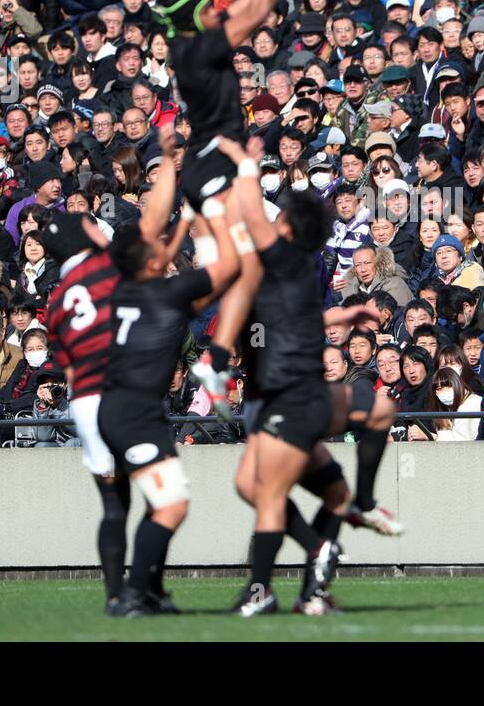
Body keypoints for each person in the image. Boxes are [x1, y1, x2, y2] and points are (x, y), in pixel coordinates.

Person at [218, 136, 401, 616]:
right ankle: (323, 564)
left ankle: (271, 586)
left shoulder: (273, 259)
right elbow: (296, 321)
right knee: (320, 483)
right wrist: (346, 315)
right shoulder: (302, 266)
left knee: (264, 492)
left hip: (283, 395)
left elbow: (248, 216)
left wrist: (244, 165)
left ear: (283, 224)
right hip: (286, 390)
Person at [155, 0, 301, 416]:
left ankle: (213, 357)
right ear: (196, 12)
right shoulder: (204, 46)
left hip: (201, 167)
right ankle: (207, 352)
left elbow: (242, 8)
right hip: (216, 164)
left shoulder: (185, 43)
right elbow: (257, 8)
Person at [42, 127, 183, 614]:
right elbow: (152, 225)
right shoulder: (107, 262)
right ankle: (149, 589)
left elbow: (63, 364)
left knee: (113, 504)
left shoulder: (56, 300)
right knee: (162, 496)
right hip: (124, 390)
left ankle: (114, 596)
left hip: (84, 401)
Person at [99, 197, 238, 617]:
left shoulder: (122, 291)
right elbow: (227, 267)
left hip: (126, 409)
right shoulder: (168, 291)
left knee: (158, 503)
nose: (164, 248)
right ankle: (133, 595)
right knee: (171, 504)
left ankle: (149, 590)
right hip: (134, 413)